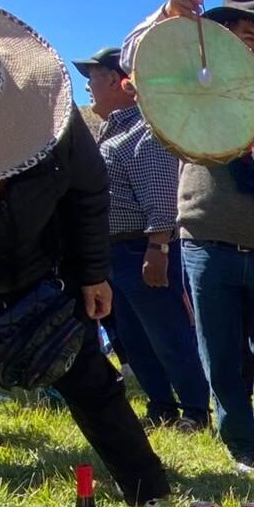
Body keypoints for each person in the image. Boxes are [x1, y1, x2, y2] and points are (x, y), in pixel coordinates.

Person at [0, 0, 170, 507]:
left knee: (91, 380)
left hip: (43, 259)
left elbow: (87, 191)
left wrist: (93, 272)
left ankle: (153, 503)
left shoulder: (47, 107)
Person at [122, 0, 254, 472]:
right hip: (207, 244)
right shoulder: (192, 91)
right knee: (221, 354)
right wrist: (167, 15)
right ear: (221, 43)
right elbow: (138, 60)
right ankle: (240, 443)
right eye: (247, 38)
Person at [74, 46, 210, 431]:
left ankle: (195, 410)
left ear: (117, 81)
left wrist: (158, 247)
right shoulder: (113, 132)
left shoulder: (145, 130)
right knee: (134, 337)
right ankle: (161, 405)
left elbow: (162, 195)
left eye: (93, 76)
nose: (88, 86)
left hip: (142, 249)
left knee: (167, 332)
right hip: (117, 253)